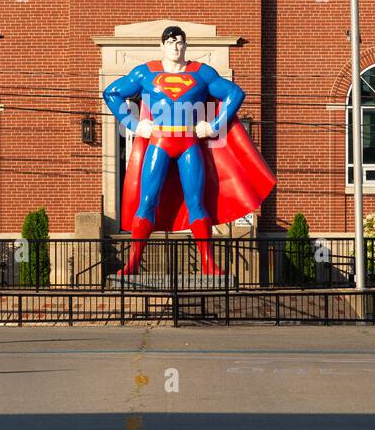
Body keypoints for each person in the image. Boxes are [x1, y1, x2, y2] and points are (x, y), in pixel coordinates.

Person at [103, 26, 275, 277]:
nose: (175, 46)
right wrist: (133, 124)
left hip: (188, 142)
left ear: (186, 45)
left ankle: (207, 263)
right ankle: (133, 263)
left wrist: (215, 126)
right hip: (159, 142)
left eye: (180, 42)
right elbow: (112, 92)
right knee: (147, 201)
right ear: (161, 46)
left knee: (197, 202)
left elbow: (234, 93)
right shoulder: (145, 73)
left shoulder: (201, 73)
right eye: (170, 42)